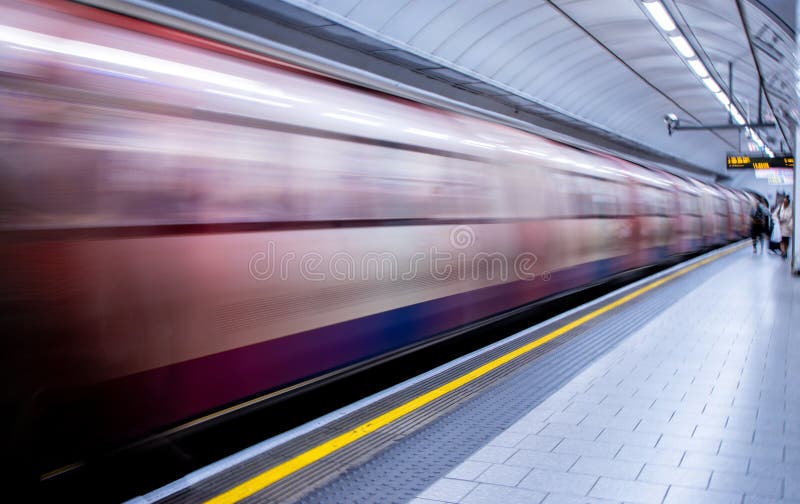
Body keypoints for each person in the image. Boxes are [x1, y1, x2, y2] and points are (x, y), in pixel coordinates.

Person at [775, 195, 793, 259]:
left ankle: (785, 251)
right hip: (781, 227)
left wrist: (783, 218)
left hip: (788, 228)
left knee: (786, 241)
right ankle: (783, 252)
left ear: (788, 202)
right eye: (784, 201)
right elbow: (774, 215)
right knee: (781, 240)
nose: (785, 203)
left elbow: (790, 217)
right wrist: (777, 219)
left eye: (786, 202)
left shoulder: (791, 208)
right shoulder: (780, 207)